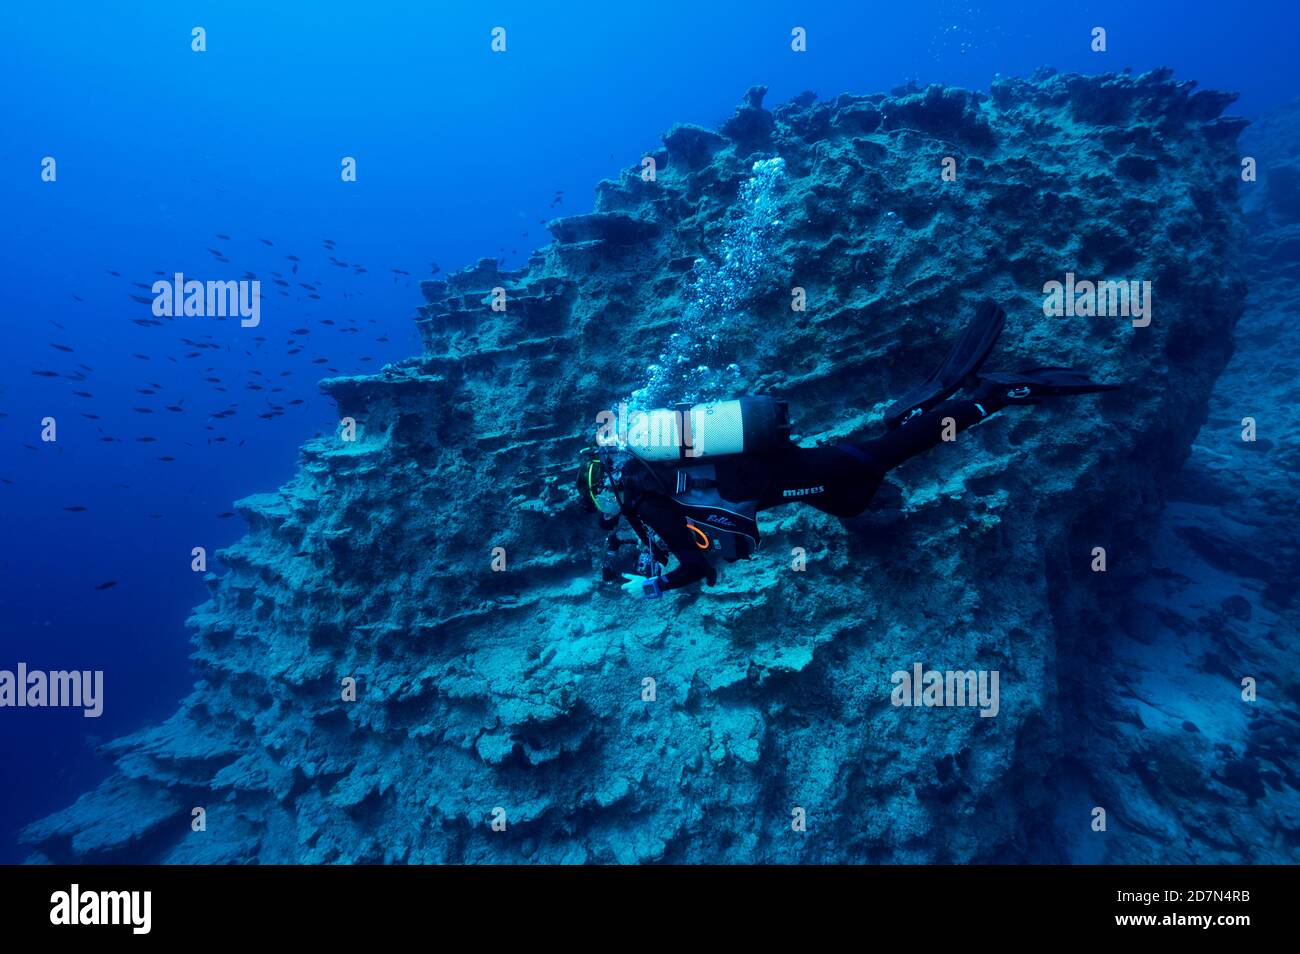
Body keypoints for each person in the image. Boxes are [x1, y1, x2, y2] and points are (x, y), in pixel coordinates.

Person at [576, 301, 1118, 598]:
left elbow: (698, 564)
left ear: (605, 496)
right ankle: (910, 413)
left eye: (601, 510)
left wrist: (657, 587)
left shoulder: (645, 500)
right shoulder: (648, 472)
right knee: (851, 496)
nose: (609, 517)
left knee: (879, 461)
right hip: (777, 474)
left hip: (785, 476)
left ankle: (994, 394)